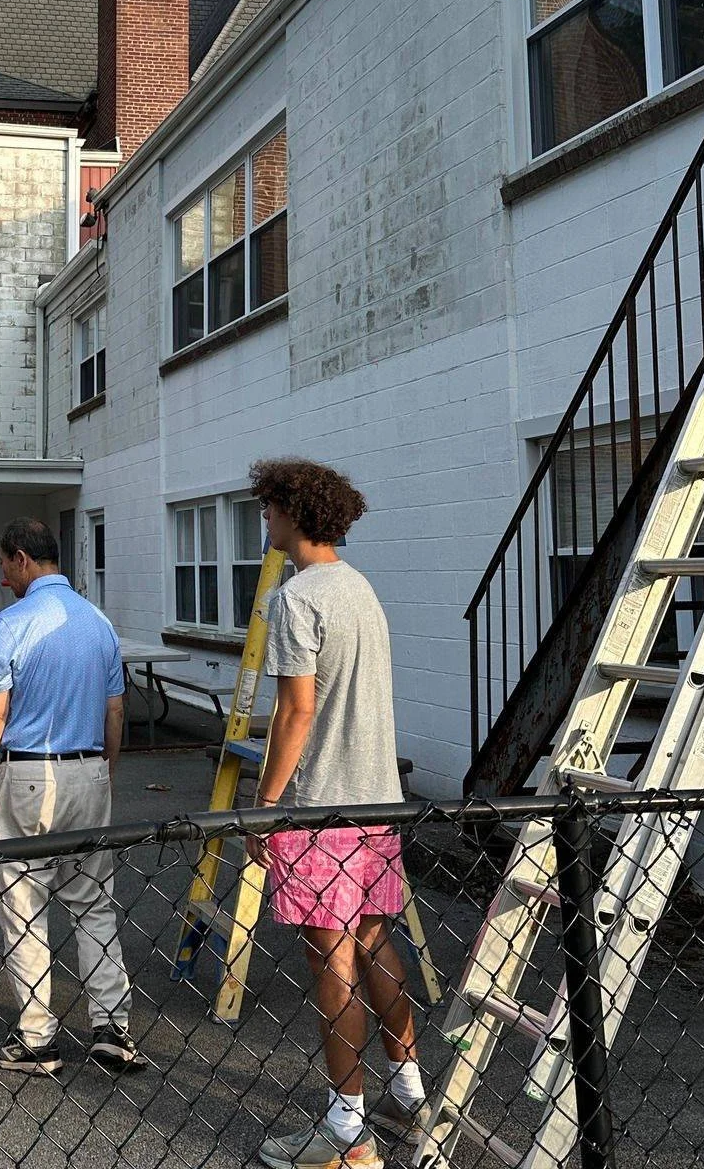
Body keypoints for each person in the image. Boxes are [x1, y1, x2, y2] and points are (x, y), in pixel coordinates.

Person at [245, 459, 424, 1169]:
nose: (264, 518)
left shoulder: (296, 597)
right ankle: (409, 1089)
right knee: (376, 942)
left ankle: (347, 1130)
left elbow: (296, 711)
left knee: (333, 959)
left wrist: (265, 806)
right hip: (376, 802)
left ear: (293, 512)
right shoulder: (359, 587)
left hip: (320, 809)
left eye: (268, 507)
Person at [0, 517, 147, 1075]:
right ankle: (112, 1029)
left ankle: (37, 1037)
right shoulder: (99, 622)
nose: (3, 575)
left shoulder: (12, 622)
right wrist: (104, 771)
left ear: (21, 558)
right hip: (89, 770)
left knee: (24, 903)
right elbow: (115, 709)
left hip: (28, 773)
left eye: (3, 563)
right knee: (92, 902)